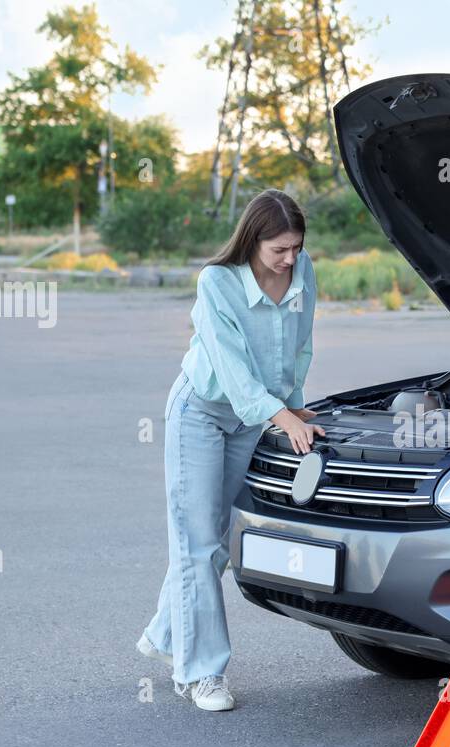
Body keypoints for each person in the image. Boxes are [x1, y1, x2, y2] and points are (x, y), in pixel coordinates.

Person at [136, 189, 325, 711]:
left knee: (216, 542)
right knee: (197, 543)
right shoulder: (217, 282)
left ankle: (164, 633)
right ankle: (201, 674)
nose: (289, 259)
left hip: (254, 415)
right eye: (278, 250)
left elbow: (300, 340)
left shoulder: (303, 269)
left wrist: (291, 403)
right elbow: (232, 367)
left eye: (296, 247)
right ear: (252, 241)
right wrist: (278, 415)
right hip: (202, 412)